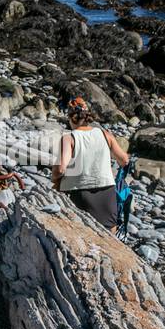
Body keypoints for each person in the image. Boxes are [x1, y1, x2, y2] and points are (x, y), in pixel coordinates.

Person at [52, 97, 129, 231]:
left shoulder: (69, 138)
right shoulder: (105, 134)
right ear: (88, 117)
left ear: (71, 118)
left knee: (81, 233)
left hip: (79, 192)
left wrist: (54, 179)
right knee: (109, 236)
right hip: (107, 191)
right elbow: (124, 160)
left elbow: (60, 169)